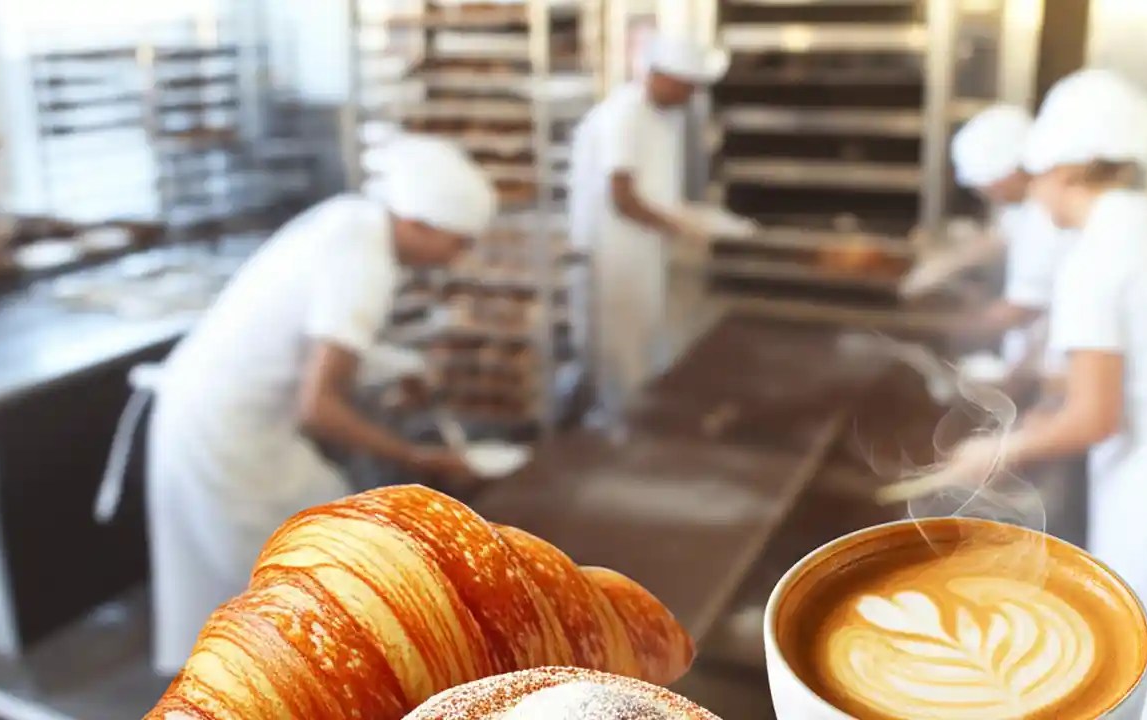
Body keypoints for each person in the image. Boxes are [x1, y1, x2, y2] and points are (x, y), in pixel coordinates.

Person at [941, 70, 1147, 720]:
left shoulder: (1097, 254)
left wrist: (995, 451)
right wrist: (1045, 406)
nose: (1036, 196)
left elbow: (1095, 416)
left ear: (1063, 171)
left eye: (1036, 178)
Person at [145, 135, 497, 675]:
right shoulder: (366, 260)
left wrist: (395, 368)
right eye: (457, 242)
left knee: (255, 592)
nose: (458, 258)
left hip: (208, 413)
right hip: (231, 436)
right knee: (315, 575)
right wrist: (416, 459)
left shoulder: (352, 220)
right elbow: (319, 408)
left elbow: (314, 340)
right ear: (418, 224)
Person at [569, 35, 730, 426]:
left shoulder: (660, 117)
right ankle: (613, 433)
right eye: (685, 86)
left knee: (644, 348)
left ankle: (637, 423)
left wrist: (684, 219)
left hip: (644, 252)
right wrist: (682, 226)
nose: (690, 96)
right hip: (614, 257)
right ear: (659, 75)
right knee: (619, 354)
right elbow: (621, 197)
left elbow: (652, 190)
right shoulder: (622, 114)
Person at [907, 105, 1071, 382]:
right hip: (1030, 357)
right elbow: (997, 238)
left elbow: (1022, 309)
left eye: (985, 184)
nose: (983, 193)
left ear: (1009, 173)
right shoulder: (1025, 203)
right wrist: (944, 265)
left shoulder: (1047, 216)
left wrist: (949, 329)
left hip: (1051, 368)